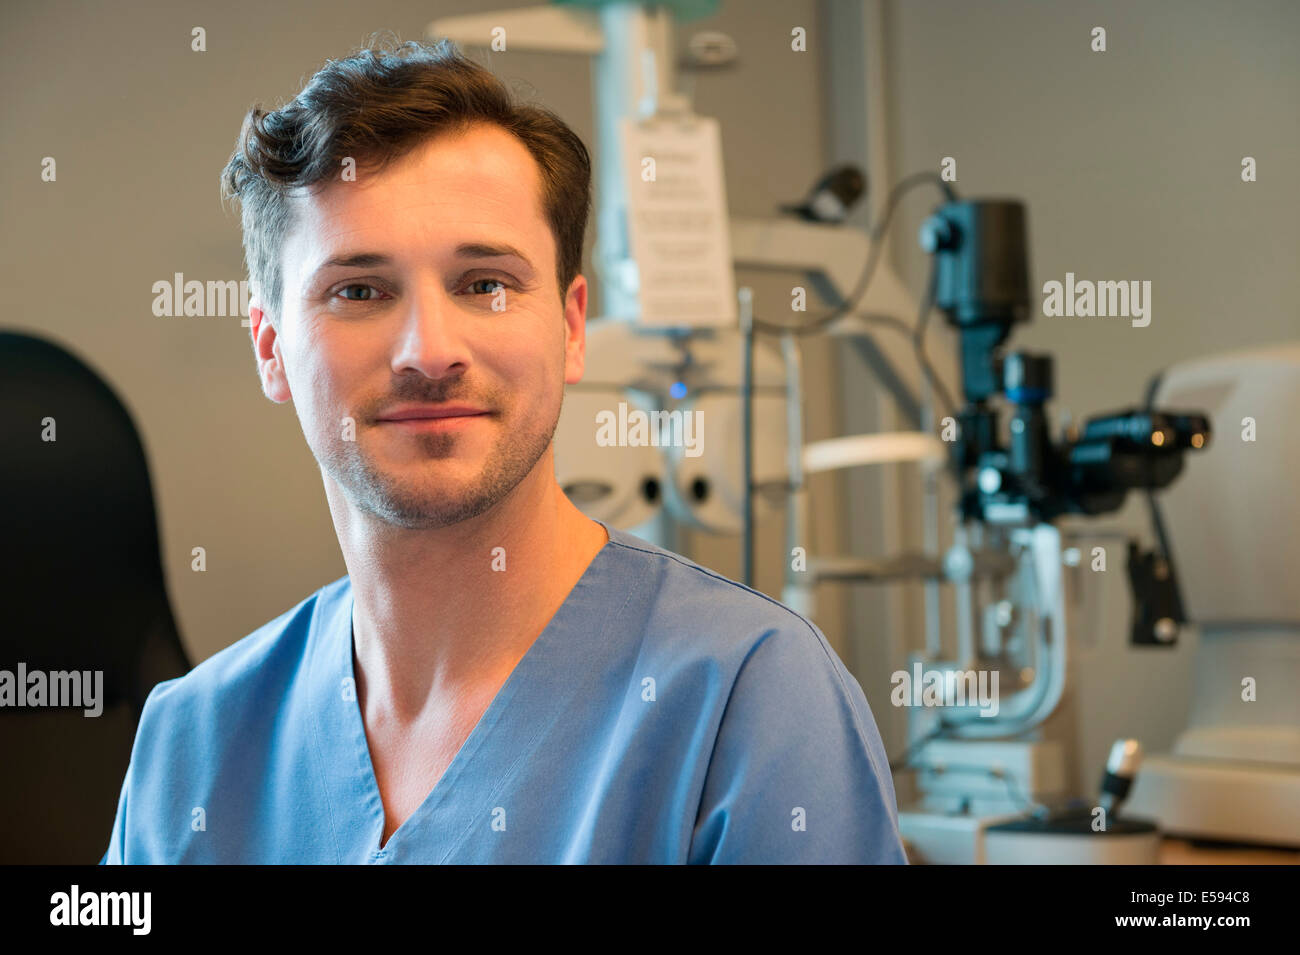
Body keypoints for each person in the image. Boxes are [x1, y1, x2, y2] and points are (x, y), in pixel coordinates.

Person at [101, 37, 907, 864]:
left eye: (485, 283)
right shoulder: (191, 743)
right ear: (270, 347)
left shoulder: (749, 700)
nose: (429, 350)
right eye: (359, 290)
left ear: (569, 325)